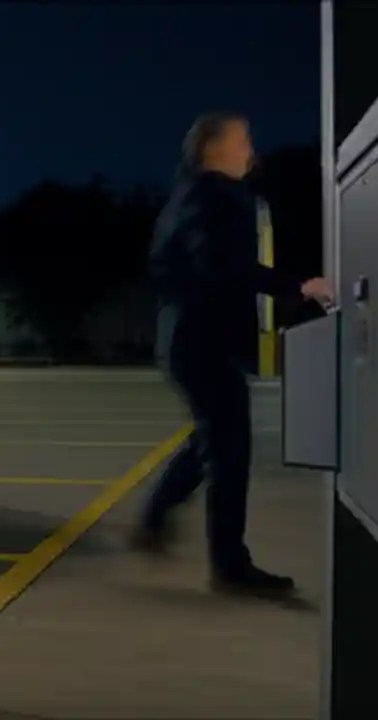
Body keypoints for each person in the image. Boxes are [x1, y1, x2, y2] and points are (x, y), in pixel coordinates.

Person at [133, 112, 334, 595]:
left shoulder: (183, 198)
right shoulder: (219, 196)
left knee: (213, 436)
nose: (251, 151)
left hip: (183, 339)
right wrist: (296, 286)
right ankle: (229, 566)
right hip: (202, 340)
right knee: (230, 449)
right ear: (214, 148)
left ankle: (156, 519)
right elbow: (224, 266)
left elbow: (172, 267)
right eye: (243, 141)